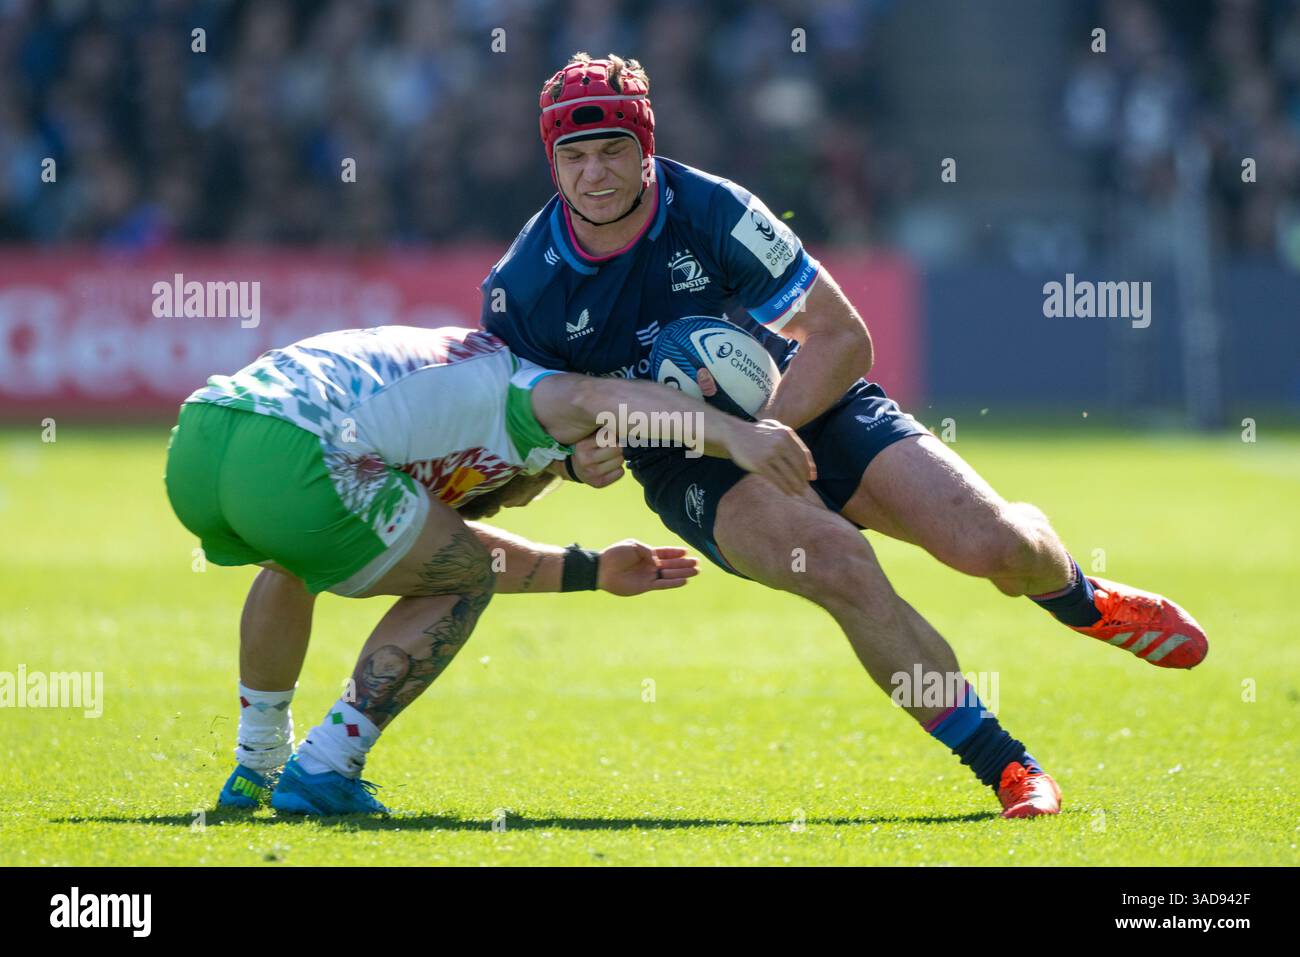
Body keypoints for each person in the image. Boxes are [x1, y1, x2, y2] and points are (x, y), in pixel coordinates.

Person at [480, 53, 1210, 819]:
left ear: (646, 145)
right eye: (575, 157)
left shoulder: (714, 210)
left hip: (809, 399)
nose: (595, 174)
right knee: (838, 561)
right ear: (552, 161)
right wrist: (570, 458)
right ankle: (1008, 766)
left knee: (997, 546)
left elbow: (841, 336)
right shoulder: (522, 288)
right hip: (688, 467)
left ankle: (1083, 600)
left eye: (613, 151)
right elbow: (520, 446)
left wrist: (762, 431)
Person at [164, 323, 813, 815]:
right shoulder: (527, 387)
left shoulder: (447, 373)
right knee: (463, 576)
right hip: (298, 452)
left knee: (291, 562)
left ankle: (257, 765)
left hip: (201, 436)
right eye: (544, 480)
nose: (530, 495)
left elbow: (457, 539)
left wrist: (592, 569)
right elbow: (600, 397)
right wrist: (737, 434)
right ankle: (326, 768)